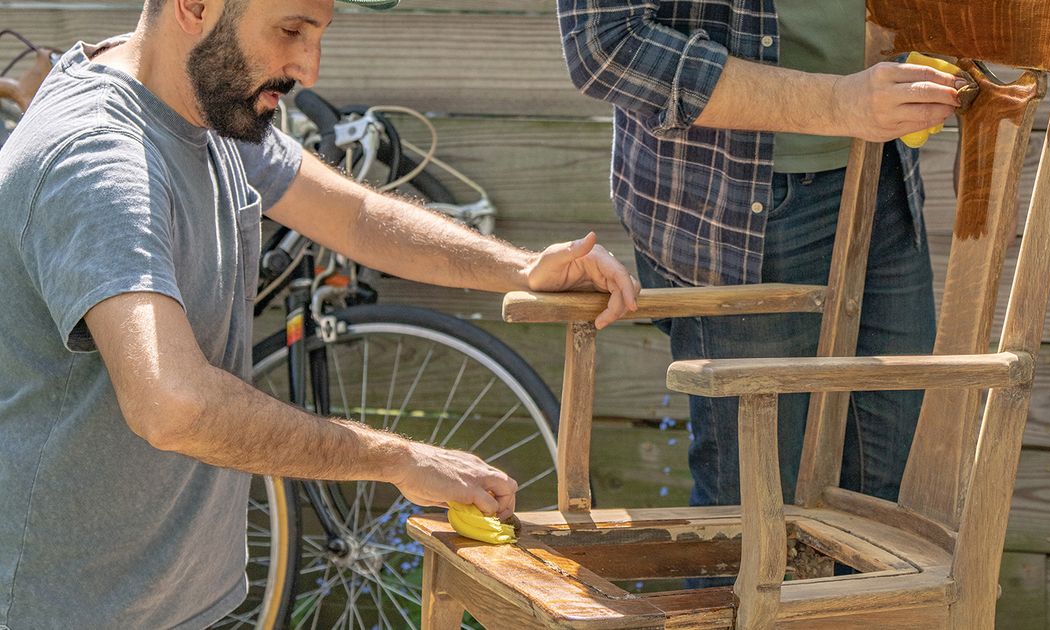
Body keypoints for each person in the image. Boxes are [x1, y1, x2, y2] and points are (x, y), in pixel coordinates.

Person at [0, 0, 639, 627]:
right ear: (194, 7)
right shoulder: (99, 162)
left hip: (175, 600)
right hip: (61, 606)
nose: (309, 67)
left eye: (321, 32)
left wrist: (522, 269)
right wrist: (398, 459)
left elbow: (355, 218)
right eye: (291, 30)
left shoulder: (199, 98)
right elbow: (173, 403)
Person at [558, 2, 962, 510]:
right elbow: (606, 47)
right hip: (733, 211)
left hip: (884, 177)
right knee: (752, 513)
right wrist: (838, 104)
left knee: (886, 499)